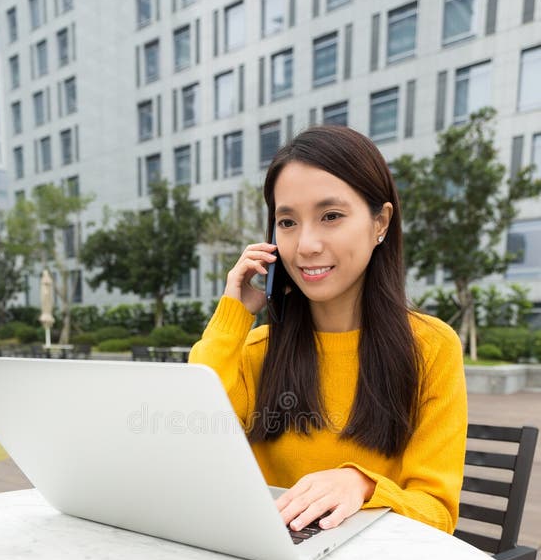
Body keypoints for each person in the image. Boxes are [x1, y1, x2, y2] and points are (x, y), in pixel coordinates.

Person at [189, 125, 467, 535]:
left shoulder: (430, 347)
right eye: (287, 222)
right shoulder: (255, 349)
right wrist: (233, 313)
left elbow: (437, 513)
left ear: (380, 223)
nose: (306, 245)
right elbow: (195, 444)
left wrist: (363, 484)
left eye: (331, 216)